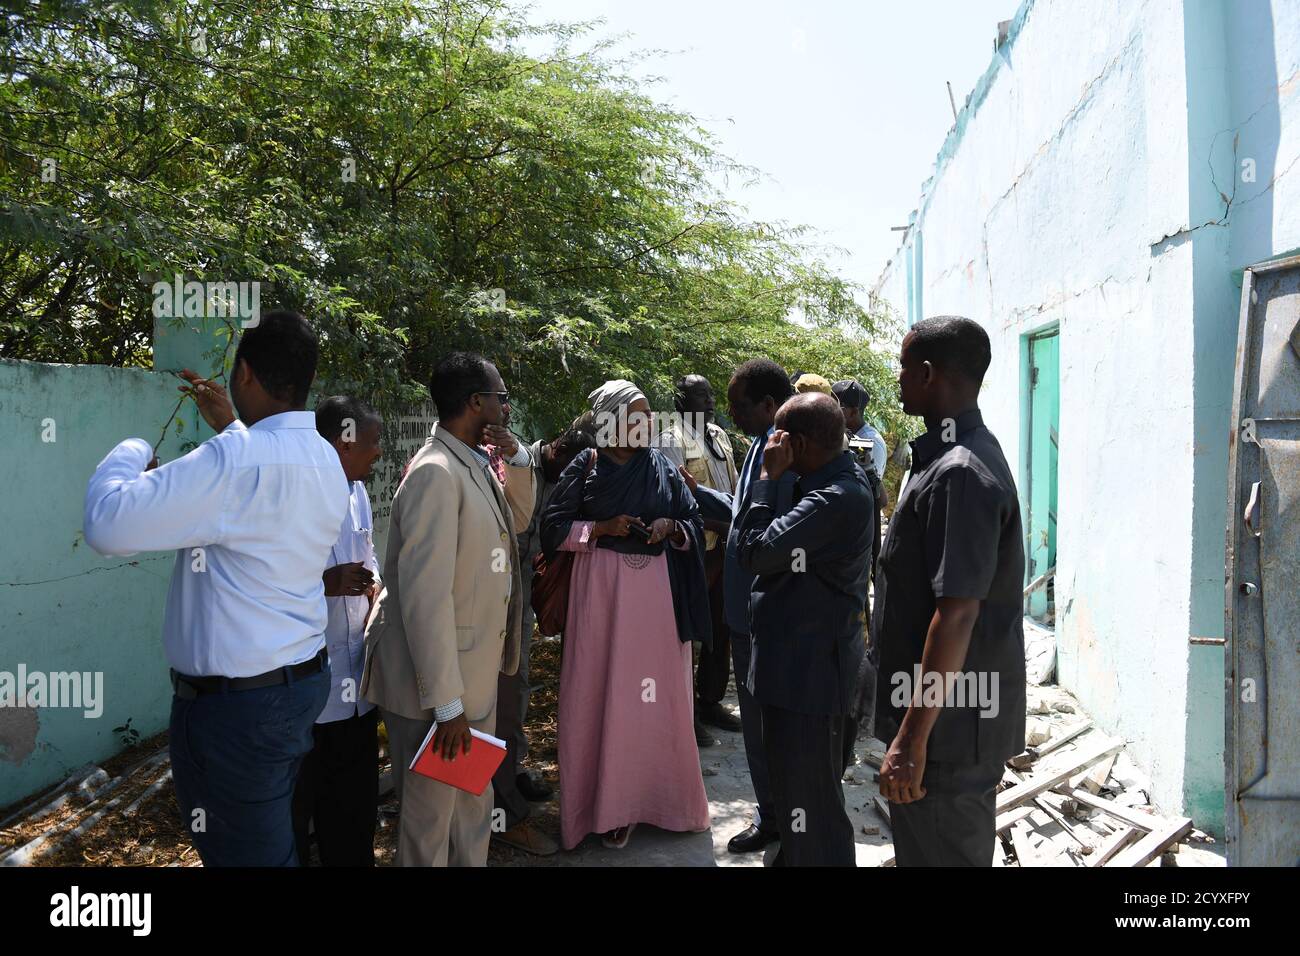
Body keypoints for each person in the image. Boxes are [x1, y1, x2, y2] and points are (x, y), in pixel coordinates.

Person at [83, 311, 350, 867]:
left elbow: (107, 524)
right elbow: (260, 500)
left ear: (245, 373)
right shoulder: (324, 455)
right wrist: (231, 429)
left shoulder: (234, 462)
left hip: (238, 712)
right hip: (298, 685)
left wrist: (133, 447)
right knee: (269, 837)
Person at [361, 352, 535, 867]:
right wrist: (446, 707)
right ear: (476, 402)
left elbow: (518, 519)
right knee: (430, 824)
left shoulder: (471, 462)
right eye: (501, 398)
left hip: (470, 678)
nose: (506, 408)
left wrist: (518, 457)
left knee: (471, 811)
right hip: (436, 691)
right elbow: (425, 597)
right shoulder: (436, 473)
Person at [873, 316, 1026, 866]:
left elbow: (957, 615)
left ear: (928, 373)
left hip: (947, 734)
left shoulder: (959, 471)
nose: (897, 378)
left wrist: (912, 740)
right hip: (945, 723)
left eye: (903, 367)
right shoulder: (948, 456)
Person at [540, 380, 712, 850]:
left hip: (656, 604)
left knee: (655, 703)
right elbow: (552, 529)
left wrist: (671, 527)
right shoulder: (586, 465)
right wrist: (599, 528)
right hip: (600, 598)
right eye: (638, 414)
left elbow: (694, 522)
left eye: (649, 414)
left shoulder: (662, 466)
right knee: (599, 695)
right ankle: (606, 808)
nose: (649, 422)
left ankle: (661, 802)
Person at [736, 392, 872, 866]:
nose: (771, 445)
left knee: (813, 809)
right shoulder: (826, 483)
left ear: (797, 443)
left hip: (808, 678)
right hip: (799, 671)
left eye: (779, 437)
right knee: (801, 799)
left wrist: (766, 480)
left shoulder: (833, 499)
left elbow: (754, 551)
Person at [684, 359, 795, 855]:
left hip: (766, 612)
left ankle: (786, 820)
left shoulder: (787, 453)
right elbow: (740, 511)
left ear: (769, 405)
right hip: (744, 612)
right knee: (758, 727)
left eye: (737, 406)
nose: (729, 415)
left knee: (774, 727)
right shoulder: (757, 445)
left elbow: (772, 531)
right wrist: (698, 494)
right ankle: (773, 813)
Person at [491, 426, 594, 857]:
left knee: (517, 682)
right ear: (557, 448)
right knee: (494, 690)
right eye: (569, 465)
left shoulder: (567, 477)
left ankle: (512, 770)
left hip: (524, 589)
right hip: (493, 589)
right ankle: (495, 801)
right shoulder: (512, 463)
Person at [290, 396, 384, 866]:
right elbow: (265, 581)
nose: (379, 452)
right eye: (372, 442)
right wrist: (323, 583)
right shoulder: (292, 495)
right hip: (310, 691)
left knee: (354, 809)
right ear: (343, 442)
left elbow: (370, 557)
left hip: (357, 686)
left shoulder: (357, 492)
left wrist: (374, 587)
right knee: (302, 808)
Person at [653, 374, 742, 746]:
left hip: (724, 546)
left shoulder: (719, 436)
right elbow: (674, 499)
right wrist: (719, 524)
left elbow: (733, 487)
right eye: (700, 396)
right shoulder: (670, 440)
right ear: (680, 402)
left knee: (721, 627)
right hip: (693, 549)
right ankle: (684, 712)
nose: (709, 401)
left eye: (710, 395)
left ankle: (710, 701)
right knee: (687, 630)